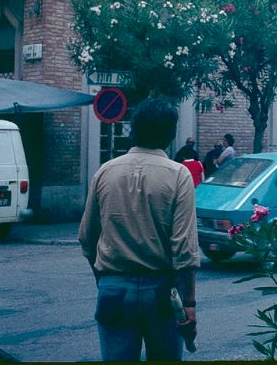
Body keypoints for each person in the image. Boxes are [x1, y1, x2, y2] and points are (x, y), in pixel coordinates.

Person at [78, 98, 199, 361]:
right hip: (161, 292)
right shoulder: (179, 176)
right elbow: (185, 249)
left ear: (134, 129)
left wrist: (105, 280)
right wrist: (189, 303)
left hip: (113, 288)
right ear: (170, 133)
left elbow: (87, 238)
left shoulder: (104, 172)